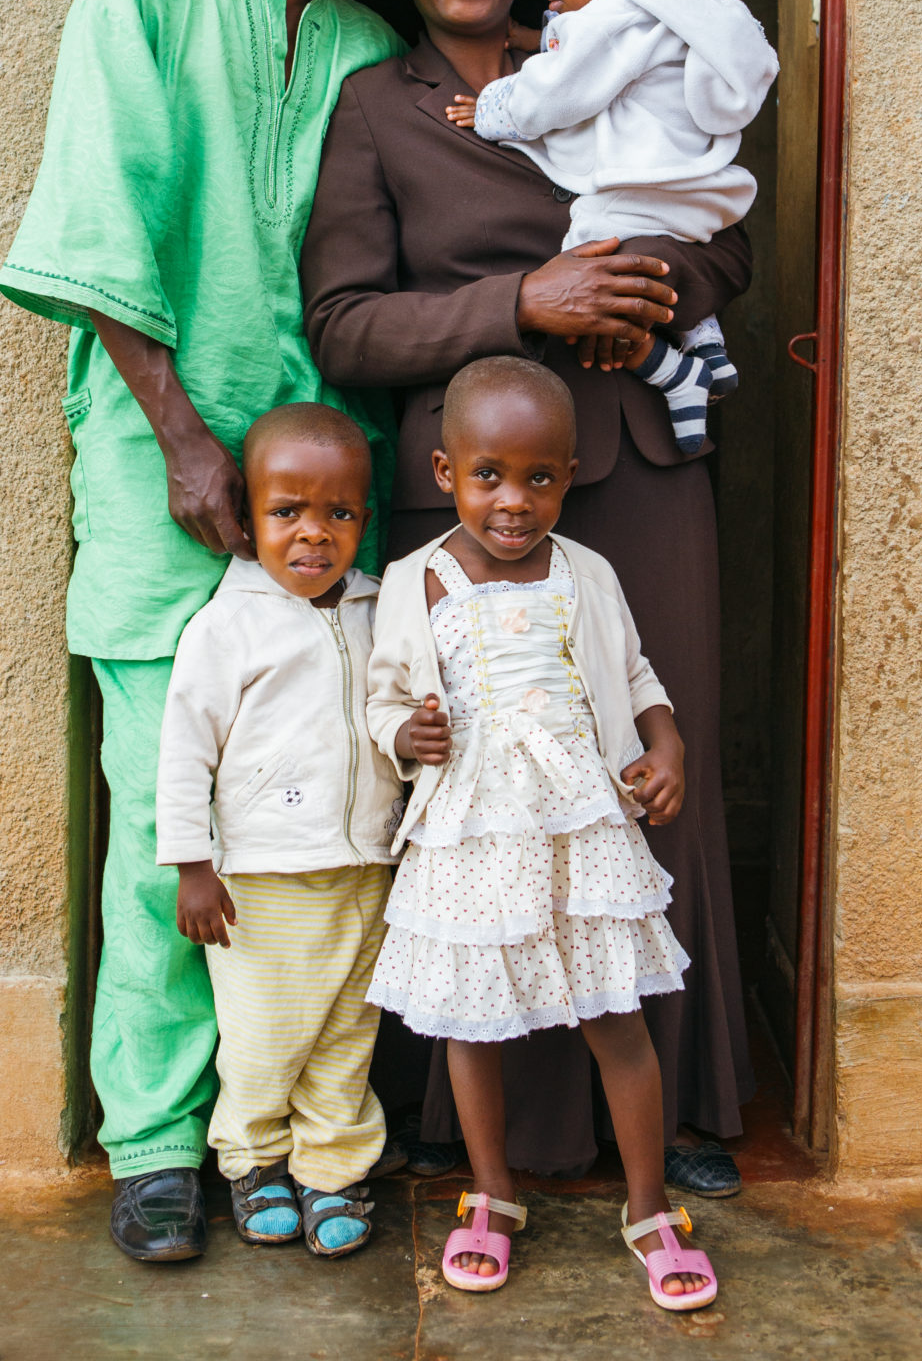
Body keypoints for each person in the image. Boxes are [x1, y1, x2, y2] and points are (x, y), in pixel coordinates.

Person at [0, 0, 414, 1261]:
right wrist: (181, 437)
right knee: (171, 823)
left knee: (323, 819)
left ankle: (300, 1138)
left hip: (321, 490)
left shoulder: (369, 38)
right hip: (162, 463)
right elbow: (102, 205)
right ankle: (159, 1141)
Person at [300, 0, 755, 1195]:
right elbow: (343, 324)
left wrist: (646, 278)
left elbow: (718, 223)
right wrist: (523, 303)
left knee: (648, 766)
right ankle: (475, 1125)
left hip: (632, 457)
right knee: (477, 789)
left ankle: (669, 1112)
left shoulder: (620, 40)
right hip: (469, 487)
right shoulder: (380, 107)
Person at [366, 357, 717, 1312]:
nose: (512, 501)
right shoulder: (415, 580)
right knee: (473, 1027)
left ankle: (648, 1207)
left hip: (578, 823)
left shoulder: (585, 572)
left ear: (568, 474)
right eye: (487, 475)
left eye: (538, 478)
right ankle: (491, 1195)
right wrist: (404, 733)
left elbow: (635, 674)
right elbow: (380, 697)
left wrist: (665, 740)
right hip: (474, 831)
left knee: (615, 1017)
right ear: (445, 473)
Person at [156, 404, 402, 1260]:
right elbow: (185, 750)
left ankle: (332, 1172)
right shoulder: (228, 626)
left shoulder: (378, 609)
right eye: (286, 511)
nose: (313, 534)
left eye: (337, 514)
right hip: (258, 881)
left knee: (345, 1032)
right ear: (247, 517)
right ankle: (254, 1162)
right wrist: (192, 864)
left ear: (362, 521)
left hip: (365, 868)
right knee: (264, 1035)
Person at [448, 0, 778, 455]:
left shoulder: (619, 15)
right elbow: (575, 43)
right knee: (661, 260)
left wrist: (493, 108)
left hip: (633, 190)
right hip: (692, 194)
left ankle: (673, 372)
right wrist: (530, 35)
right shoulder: (680, 14)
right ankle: (705, 340)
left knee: (588, 268)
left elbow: (560, 89)